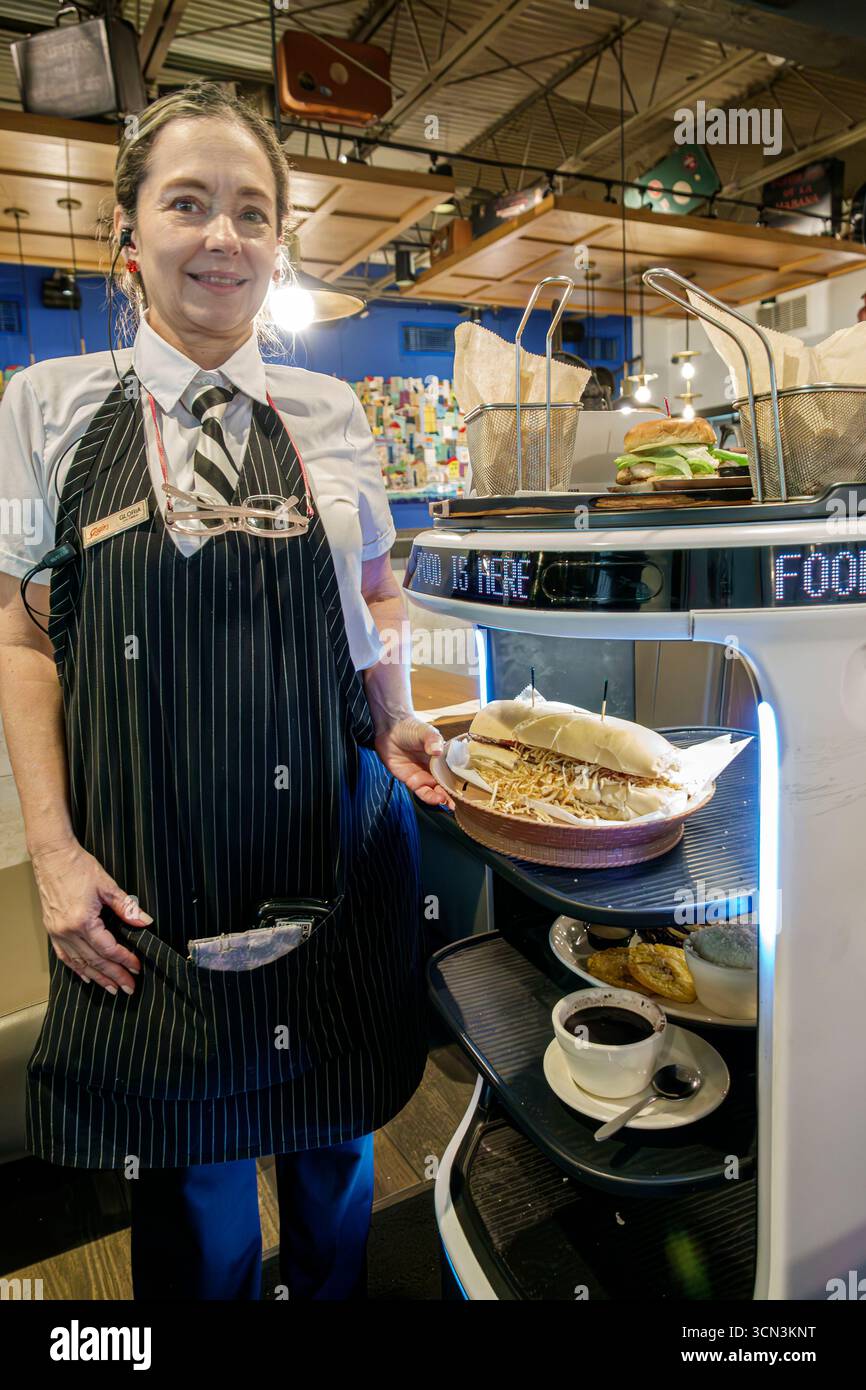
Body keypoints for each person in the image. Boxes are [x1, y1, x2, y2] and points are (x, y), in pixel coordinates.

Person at [0, 81, 453, 1301]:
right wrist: (50, 850)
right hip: (149, 859)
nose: (223, 235)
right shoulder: (46, 408)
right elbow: (22, 641)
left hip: (336, 841)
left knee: (336, 1147)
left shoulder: (332, 409)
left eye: (252, 212)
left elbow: (376, 597)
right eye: (189, 203)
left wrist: (397, 711)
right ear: (128, 230)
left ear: (279, 240)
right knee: (191, 1187)